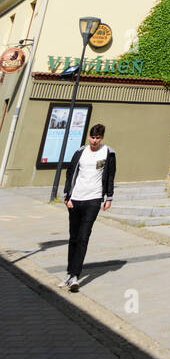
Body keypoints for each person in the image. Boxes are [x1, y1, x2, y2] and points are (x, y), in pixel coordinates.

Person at [60, 123, 116, 291]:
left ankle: (76, 276)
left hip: (93, 199)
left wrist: (109, 197)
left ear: (102, 138)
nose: (94, 141)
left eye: (98, 138)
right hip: (76, 199)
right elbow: (70, 173)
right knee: (73, 237)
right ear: (89, 137)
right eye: (92, 137)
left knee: (84, 237)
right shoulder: (80, 152)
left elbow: (111, 175)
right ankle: (69, 273)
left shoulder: (108, 153)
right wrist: (67, 195)